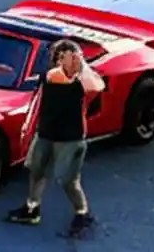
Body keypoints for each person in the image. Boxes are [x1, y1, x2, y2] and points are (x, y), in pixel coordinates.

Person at [7, 39, 105, 236]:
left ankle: (82, 213)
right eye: (59, 56)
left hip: (70, 138)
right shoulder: (48, 77)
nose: (62, 61)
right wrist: (29, 126)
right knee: (36, 171)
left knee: (69, 180)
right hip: (46, 133)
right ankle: (32, 208)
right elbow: (38, 101)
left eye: (67, 57)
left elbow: (97, 86)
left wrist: (82, 66)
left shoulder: (82, 81)